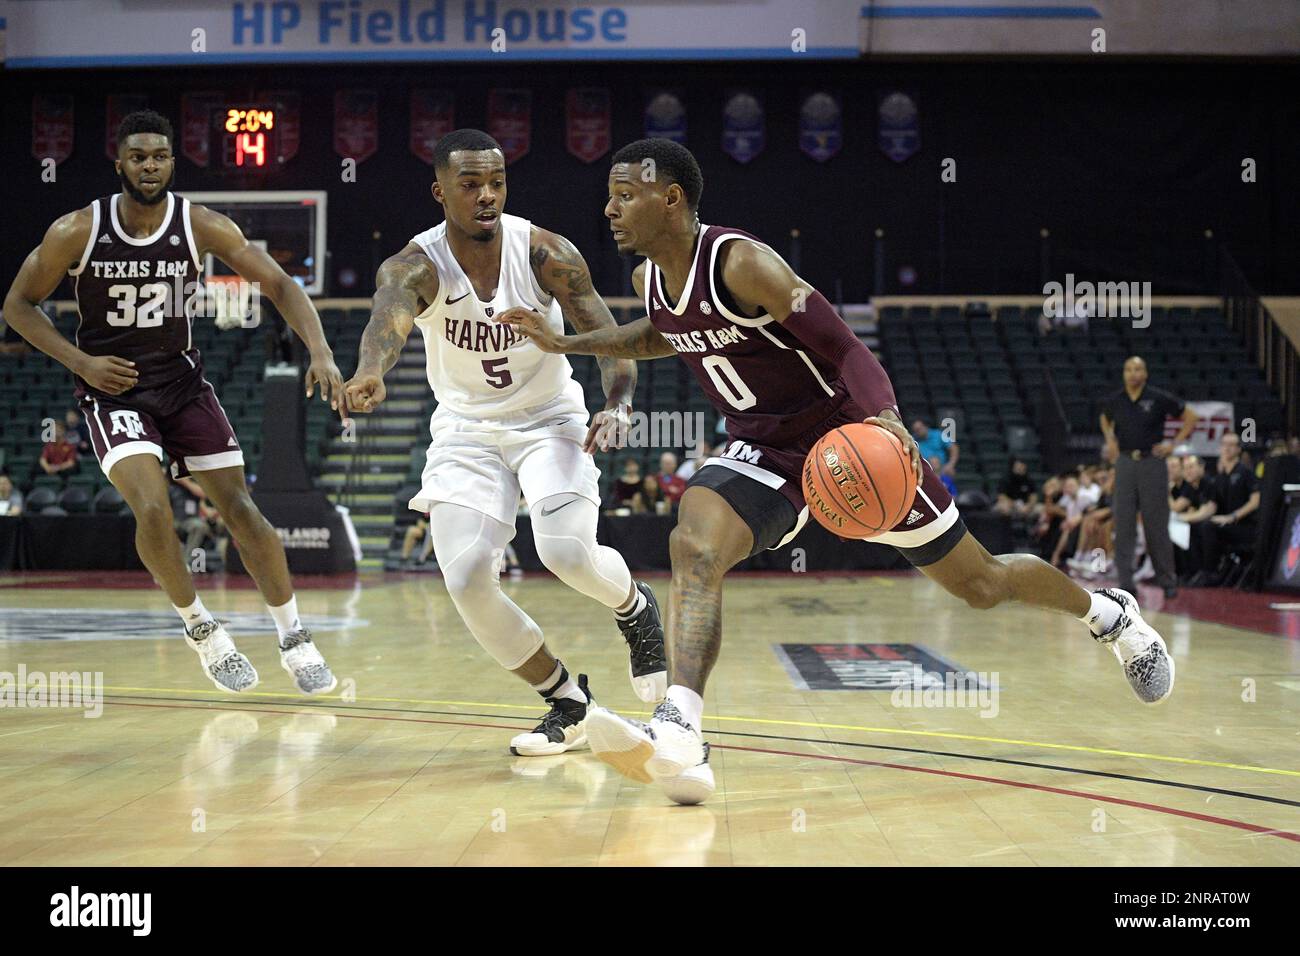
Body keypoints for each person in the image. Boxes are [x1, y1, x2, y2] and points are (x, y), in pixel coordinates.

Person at [500, 138, 1174, 804]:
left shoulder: (741, 263)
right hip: (762, 451)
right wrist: (567, 342)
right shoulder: (652, 280)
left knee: (982, 583)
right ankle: (681, 727)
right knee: (693, 545)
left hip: (846, 445)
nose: (610, 210)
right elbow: (659, 335)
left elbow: (842, 344)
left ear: (671, 199)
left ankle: (1110, 615)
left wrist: (884, 417)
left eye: (625, 196)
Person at [341, 129, 666, 758]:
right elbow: (389, 316)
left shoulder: (547, 253)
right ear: (440, 192)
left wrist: (619, 404)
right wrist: (371, 373)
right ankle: (567, 702)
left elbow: (609, 337)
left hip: (549, 418)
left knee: (566, 554)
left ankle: (635, 607)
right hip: (467, 430)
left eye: (496, 183)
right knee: (464, 578)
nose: (487, 195)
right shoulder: (416, 264)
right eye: (470, 185)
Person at [2, 110, 339, 695]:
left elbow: (281, 284)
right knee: (154, 510)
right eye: (138, 156)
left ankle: (294, 635)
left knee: (242, 511)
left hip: (182, 385)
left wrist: (321, 351)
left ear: (172, 163)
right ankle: (201, 628)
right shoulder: (77, 230)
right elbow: (17, 306)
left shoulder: (201, 225)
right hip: (112, 390)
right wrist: (81, 363)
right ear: (120, 164)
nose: (149, 166)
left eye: (159, 156)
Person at [1099, 356, 1197, 598]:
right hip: (1124, 462)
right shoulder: (1116, 400)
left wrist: (1173, 445)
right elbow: (1104, 418)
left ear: (1145, 373)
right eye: (1129, 369)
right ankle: (1126, 581)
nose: (1133, 373)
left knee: (1156, 524)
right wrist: (1110, 439)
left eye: (1138, 369)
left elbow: (1191, 416)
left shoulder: (1158, 397)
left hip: (1152, 462)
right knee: (1123, 523)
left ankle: (1167, 580)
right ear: (1124, 374)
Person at [1182, 432, 1260, 587]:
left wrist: (1233, 516)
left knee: (1208, 527)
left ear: (1239, 449)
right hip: (1224, 524)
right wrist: (1194, 514)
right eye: (1224, 445)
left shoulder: (1246, 472)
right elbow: (1212, 505)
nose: (1227, 448)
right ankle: (1194, 570)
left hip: (1244, 526)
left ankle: (1210, 573)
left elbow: (1255, 502)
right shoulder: (1219, 477)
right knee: (1196, 526)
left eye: (1232, 445)